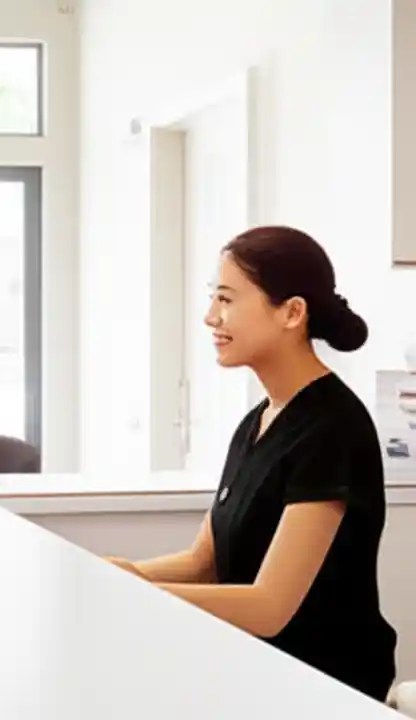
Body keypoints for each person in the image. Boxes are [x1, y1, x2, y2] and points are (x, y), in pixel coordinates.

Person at [107, 226, 397, 701]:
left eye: (226, 299)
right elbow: (205, 563)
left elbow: (269, 607)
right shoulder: (256, 423)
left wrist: (140, 593)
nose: (209, 317)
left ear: (292, 313)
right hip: (257, 671)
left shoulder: (332, 429)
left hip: (326, 685)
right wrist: (118, 574)